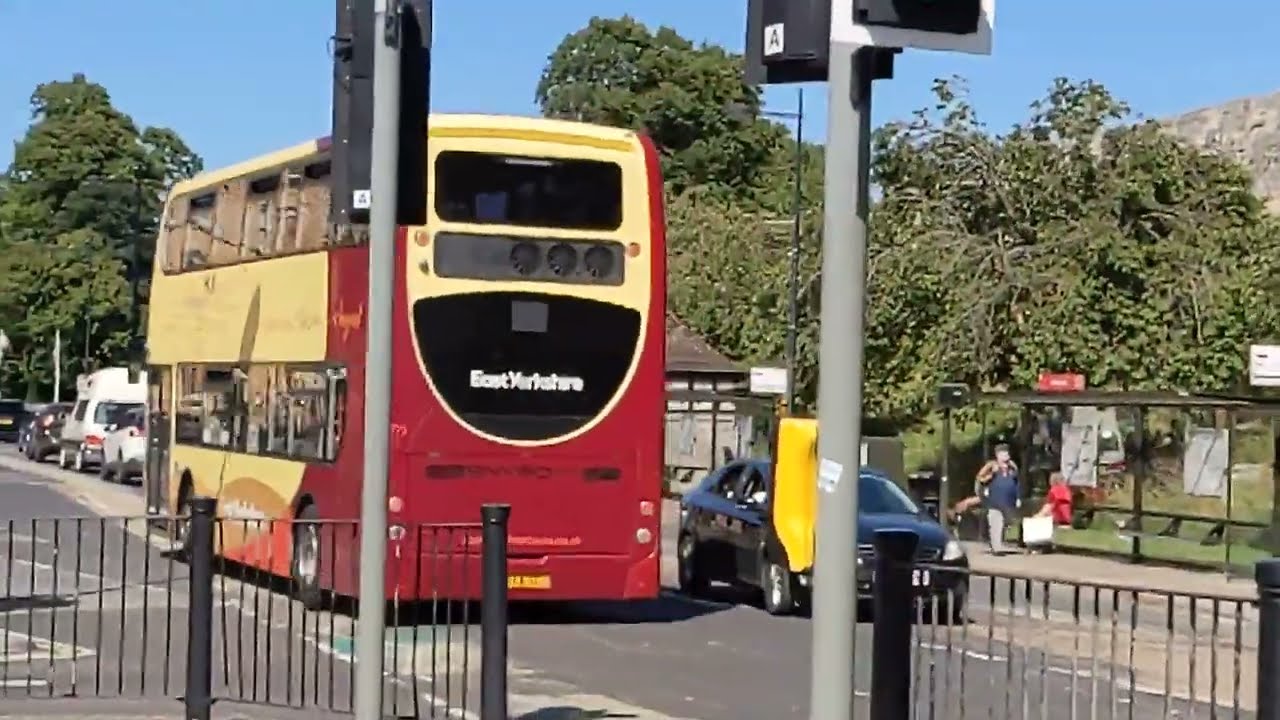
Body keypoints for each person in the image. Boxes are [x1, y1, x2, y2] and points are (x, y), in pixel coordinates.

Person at [976, 444, 1020, 554]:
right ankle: (996, 547)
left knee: (1005, 523)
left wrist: (1018, 497)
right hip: (994, 501)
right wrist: (991, 474)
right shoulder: (991, 466)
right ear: (997, 455)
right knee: (996, 523)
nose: (1006, 455)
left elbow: (1017, 482)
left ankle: (995, 544)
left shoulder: (1012, 467)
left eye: (1007, 453)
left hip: (1009, 501)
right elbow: (980, 479)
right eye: (1003, 453)